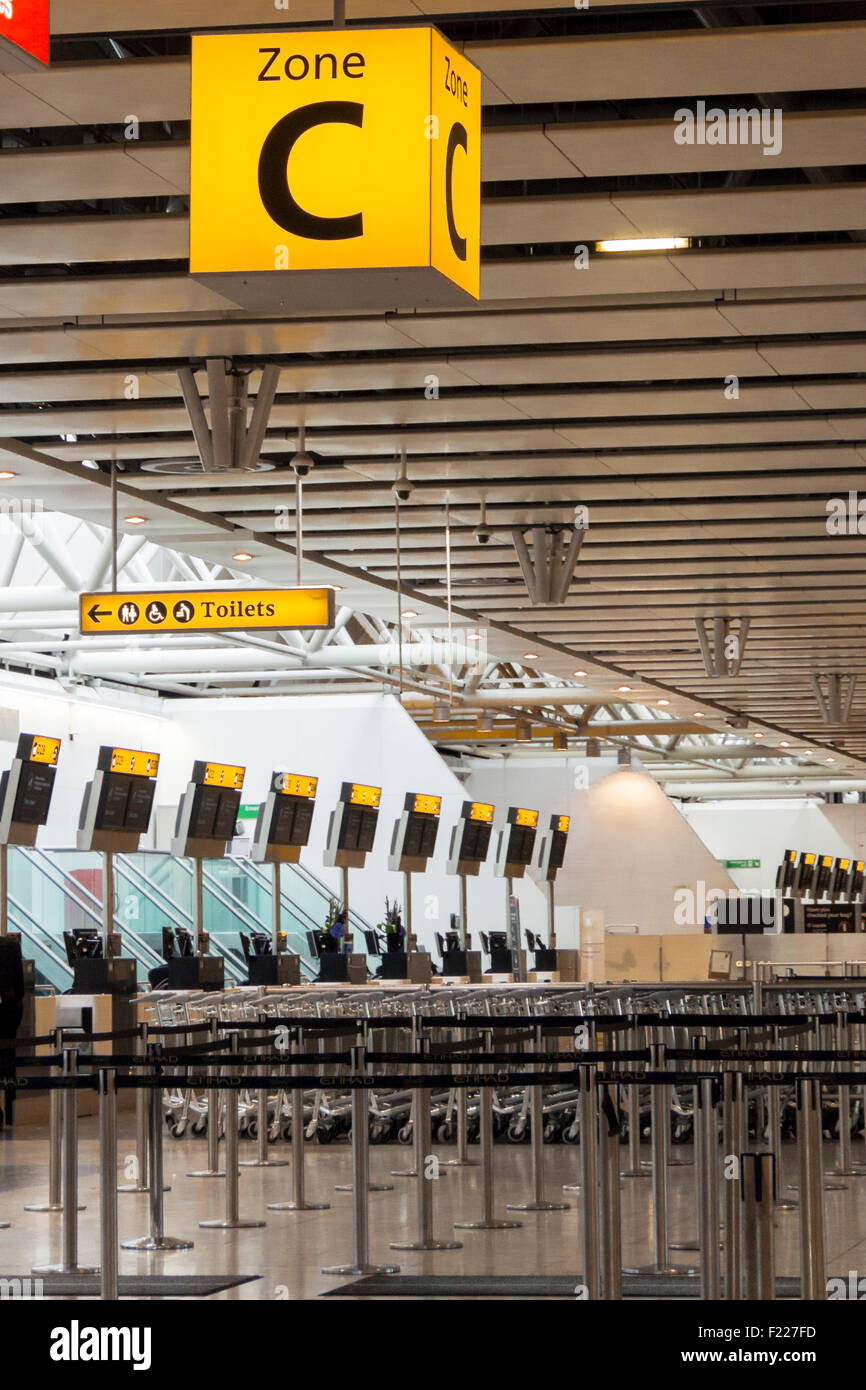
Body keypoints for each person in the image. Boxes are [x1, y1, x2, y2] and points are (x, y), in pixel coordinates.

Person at [0, 936, 25, 1129]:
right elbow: (21, 987)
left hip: (10, 1008)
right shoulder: (11, 946)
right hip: (9, 1012)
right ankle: (9, 1109)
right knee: (8, 1057)